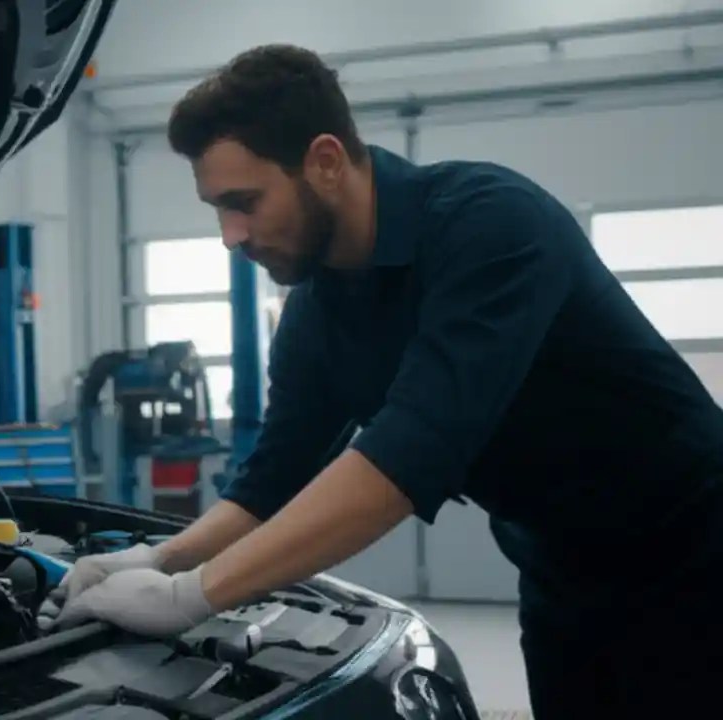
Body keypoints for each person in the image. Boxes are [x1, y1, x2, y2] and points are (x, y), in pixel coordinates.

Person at [40, 45, 723, 718]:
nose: (230, 234)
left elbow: (408, 455)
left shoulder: (492, 224)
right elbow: (271, 480)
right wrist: (158, 559)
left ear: (326, 162)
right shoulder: (316, 312)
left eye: (244, 201)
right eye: (217, 207)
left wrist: (191, 595)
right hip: (562, 575)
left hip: (696, 550)